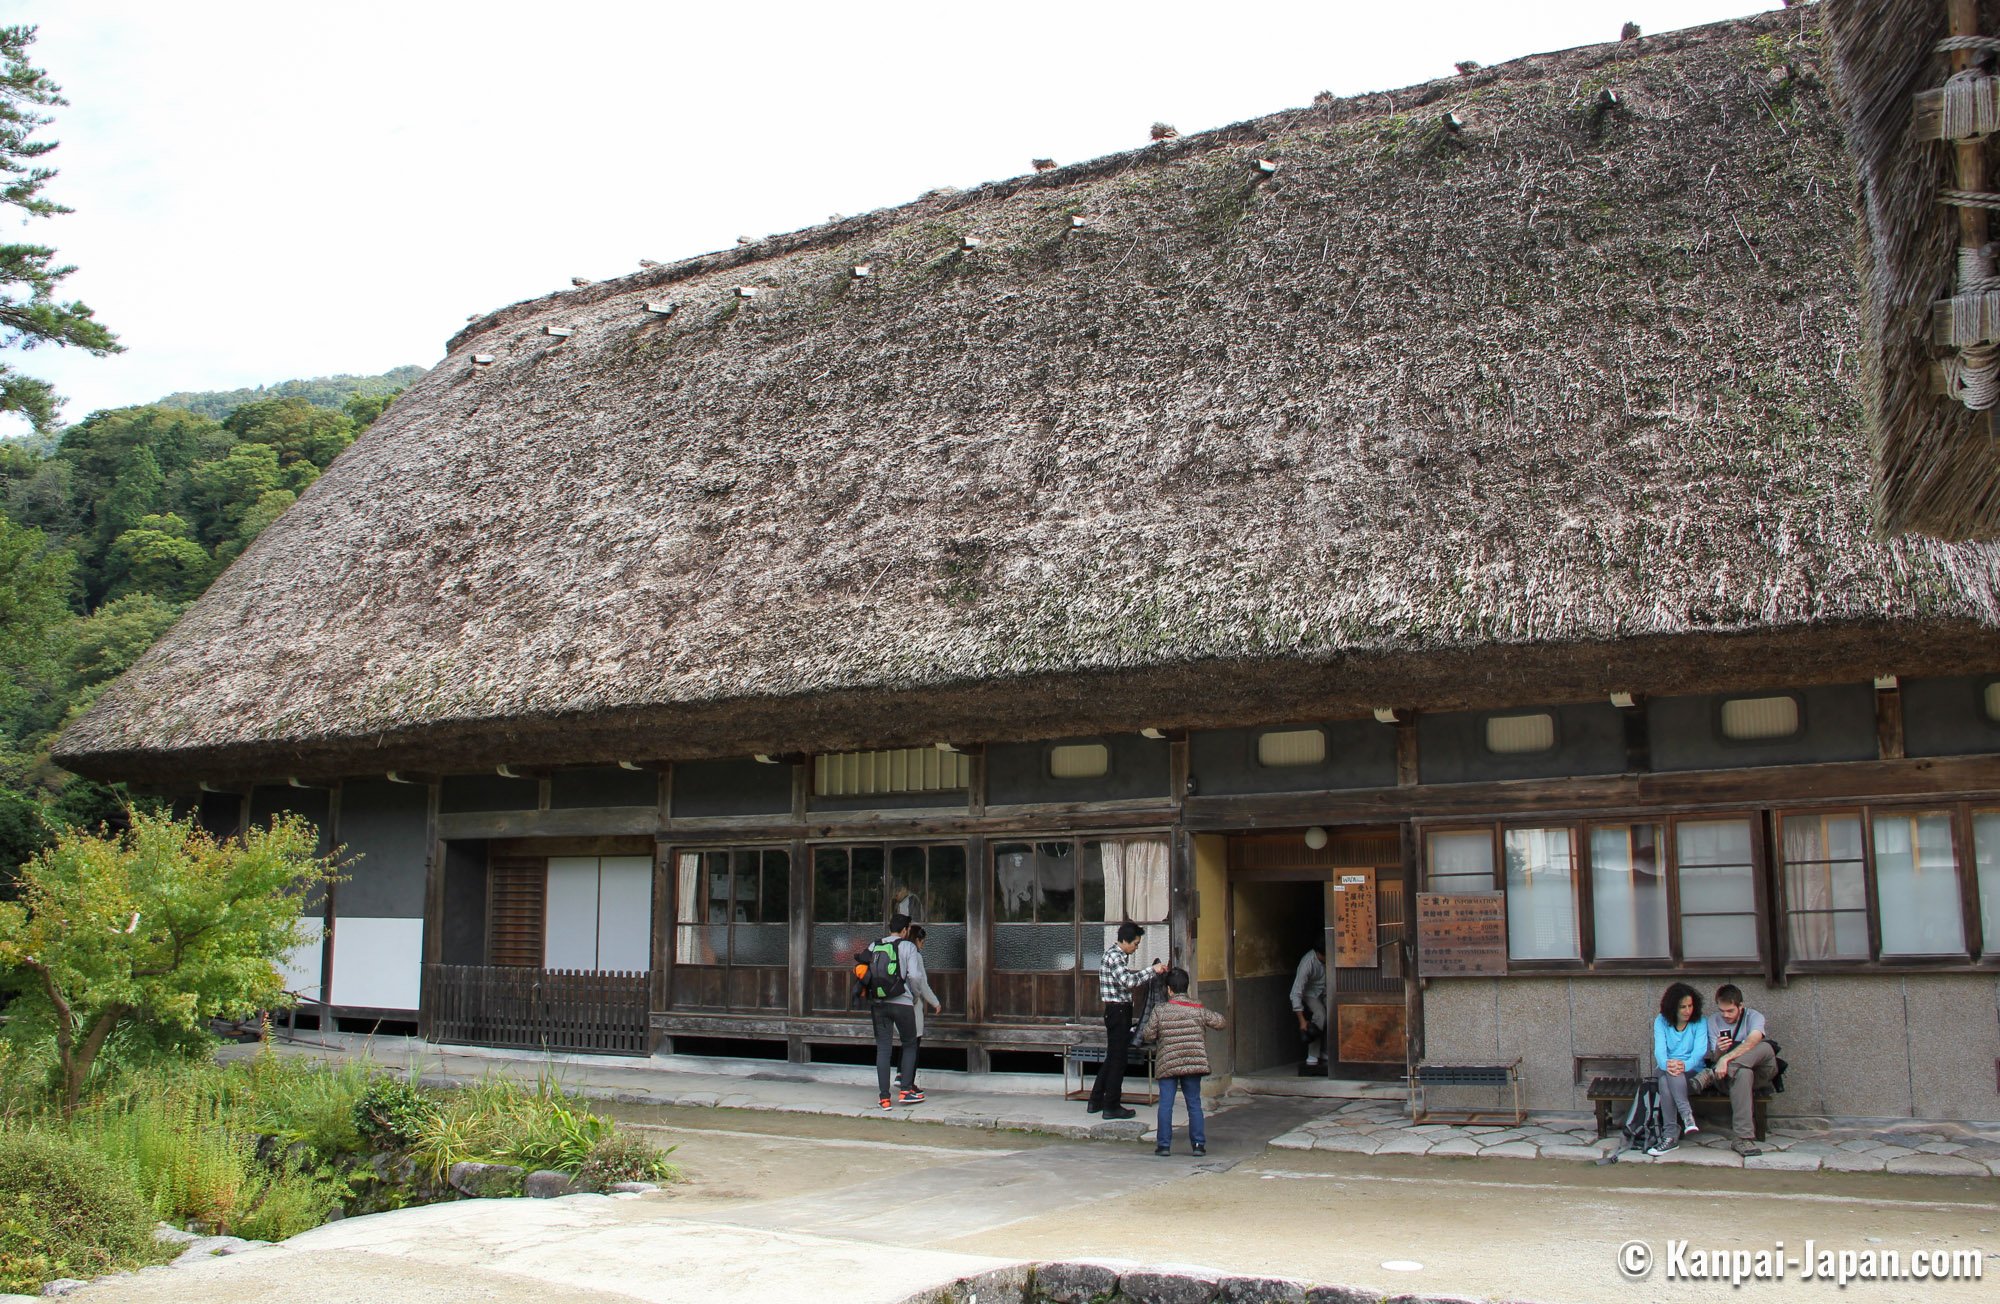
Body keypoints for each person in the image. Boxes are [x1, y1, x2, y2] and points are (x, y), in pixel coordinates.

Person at [1088, 922, 1169, 1120]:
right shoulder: (1115, 956)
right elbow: (1129, 982)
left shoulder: (1116, 955)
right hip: (1118, 1011)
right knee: (1118, 1060)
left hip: (1117, 1011)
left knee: (1113, 1057)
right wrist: (1152, 970)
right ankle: (1111, 1105)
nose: (1136, 947)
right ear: (1125, 941)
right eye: (1135, 943)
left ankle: (1095, 1100)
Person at [1142, 966, 1225, 1156]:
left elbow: (1148, 1034)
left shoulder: (1160, 1010)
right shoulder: (1197, 1008)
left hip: (1168, 1062)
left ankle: (1163, 1146)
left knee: (1166, 1104)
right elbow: (1220, 1022)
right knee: (1194, 1104)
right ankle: (1198, 1145)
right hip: (1193, 1063)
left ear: (1169, 989)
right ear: (1186, 987)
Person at [1694, 983, 1777, 1157]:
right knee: (1743, 1073)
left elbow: (1753, 1039)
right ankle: (1742, 1138)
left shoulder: (1754, 1017)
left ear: (1741, 1006)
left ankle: (1709, 1074)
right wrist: (1719, 1051)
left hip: (1761, 1074)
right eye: (1722, 1010)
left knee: (1765, 1047)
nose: (1725, 1015)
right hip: (1728, 1078)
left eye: (1730, 1011)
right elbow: (1716, 1060)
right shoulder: (1714, 1021)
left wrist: (1726, 1058)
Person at [864, 913, 927, 1110]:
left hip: (879, 1003)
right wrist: (915, 995)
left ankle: (884, 1097)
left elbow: (864, 971)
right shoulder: (908, 946)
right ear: (906, 930)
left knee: (883, 1048)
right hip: (902, 1002)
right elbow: (915, 977)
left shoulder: (874, 945)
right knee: (909, 1043)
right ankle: (906, 1090)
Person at [1647, 981, 1708, 1156]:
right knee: (1668, 1074)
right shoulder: (1661, 1021)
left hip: (1692, 1072)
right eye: (1683, 1007)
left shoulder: (1701, 1022)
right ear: (1673, 1007)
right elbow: (1659, 1052)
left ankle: (1670, 1137)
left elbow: (1699, 1052)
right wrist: (1668, 1064)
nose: (1688, 1010)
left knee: (1667, 1081)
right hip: (1666, 1068)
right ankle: (1687, 1116)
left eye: (1690, 1006)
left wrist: (1685, 1065)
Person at [902, 924, 944, 1097]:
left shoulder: (900, 951)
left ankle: (904, 1079)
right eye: (922, 941)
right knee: (914, 1045)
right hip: (912, 1003)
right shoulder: (915, 956)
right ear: (917, 940)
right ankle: (908, 1084)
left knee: (906, 1044)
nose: (923, 945)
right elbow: (921, 982)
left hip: (898, 1002)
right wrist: (935, 1002)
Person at [1290, 944, 1328, 1068]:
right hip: (1310, 993)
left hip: (1327, 991)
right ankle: (1313, 1054)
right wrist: (1302, 1020)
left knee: (1336, 1012)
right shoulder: (1308, 962)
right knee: (1320, 1015)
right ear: (1319, 953)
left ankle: (1327, 1051)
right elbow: (1295, 993)